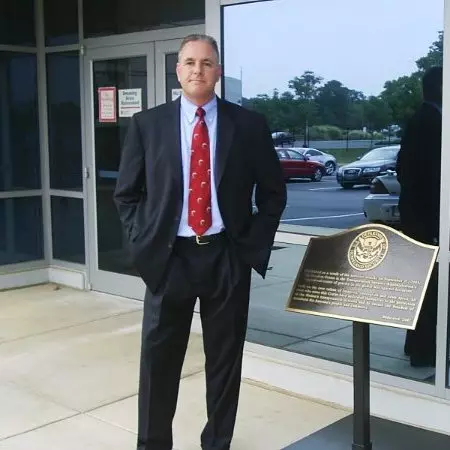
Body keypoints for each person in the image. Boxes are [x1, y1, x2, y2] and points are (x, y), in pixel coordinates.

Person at [113, 34, 287, 450]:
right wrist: (144, 243)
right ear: (178, 70)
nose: (198, 70)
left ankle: (217, 443)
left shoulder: (248, 125)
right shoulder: (148, 125)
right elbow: (127, 194)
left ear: (218, 71)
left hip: (225, 257)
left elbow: (273, 193)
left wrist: (250, 244)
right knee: (158, 362)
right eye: (190, 62)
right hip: (169, 260)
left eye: (206, 63)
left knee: (225, 364)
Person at [396, 66, 443, 367]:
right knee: (432, 286)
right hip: (429, 220)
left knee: (422, 285)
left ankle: (417, 344)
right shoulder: (432, 122)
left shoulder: (420, 119)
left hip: (418, 217)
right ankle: (425, 350)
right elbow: (430, 175)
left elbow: (404, 168)